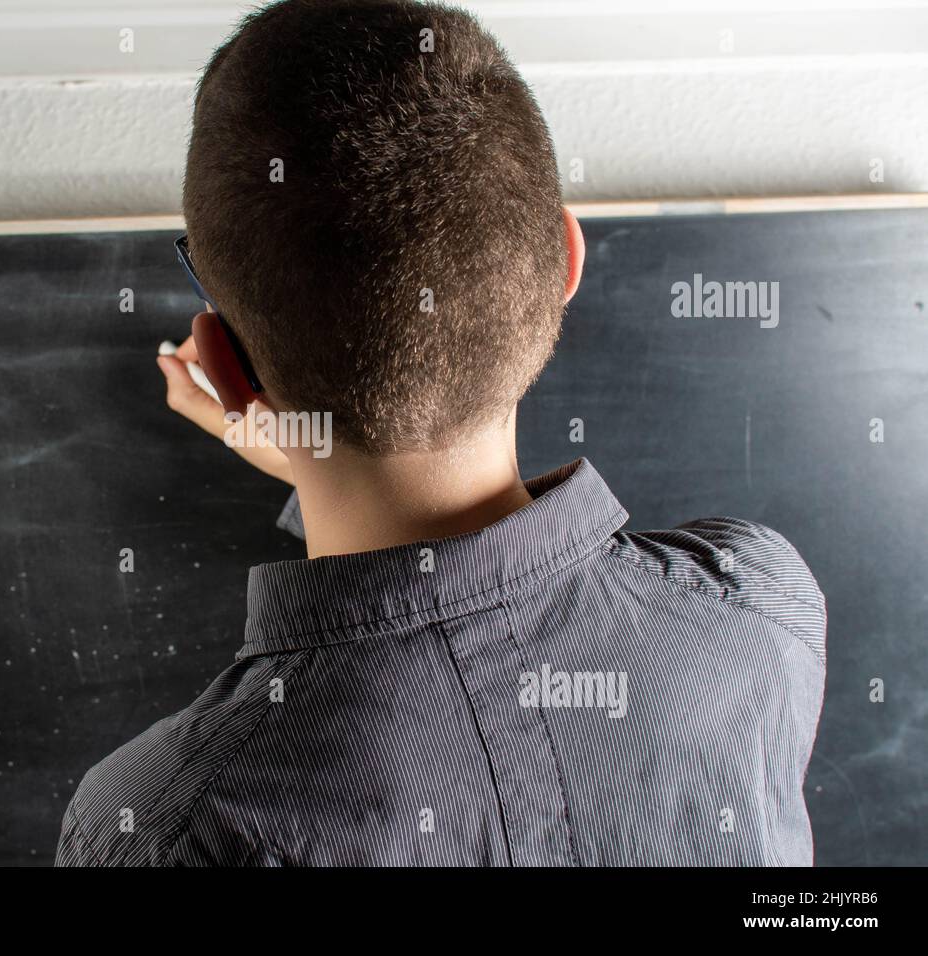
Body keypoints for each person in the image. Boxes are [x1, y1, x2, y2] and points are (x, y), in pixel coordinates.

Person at [55, 0, 825, 867]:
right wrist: (314, 460)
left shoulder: (171, 826)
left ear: (225, 369)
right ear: (566, 263)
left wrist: (315, 458)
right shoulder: (757, 606)